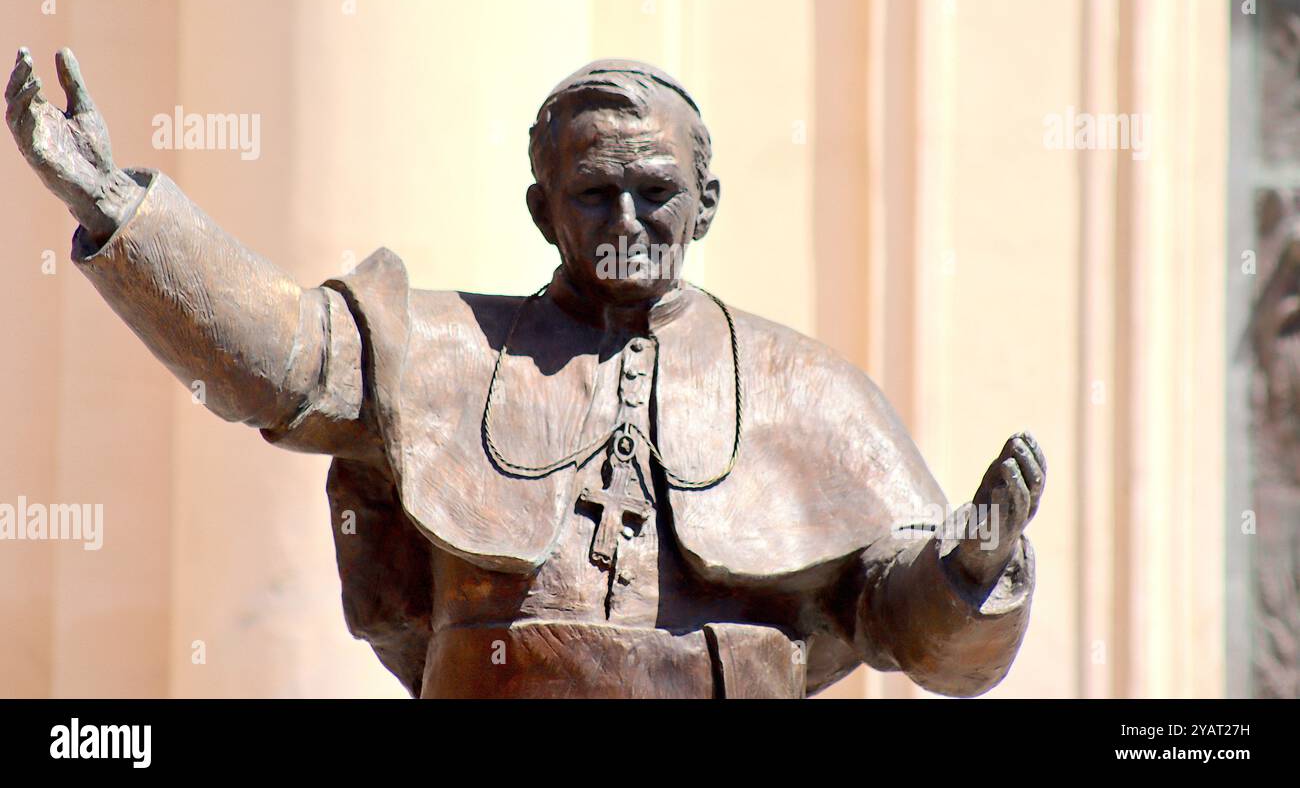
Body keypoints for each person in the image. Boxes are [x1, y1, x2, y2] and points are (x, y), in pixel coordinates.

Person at [4, 48, 1045, 698]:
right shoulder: (445, 346)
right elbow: (276, 357)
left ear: (706, 203)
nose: (628, 220)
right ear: (544, 209)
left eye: (656, 190)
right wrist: (123, 213)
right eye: (595, 193)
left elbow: (914, 636)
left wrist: (968, 573)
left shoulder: (811, 391)